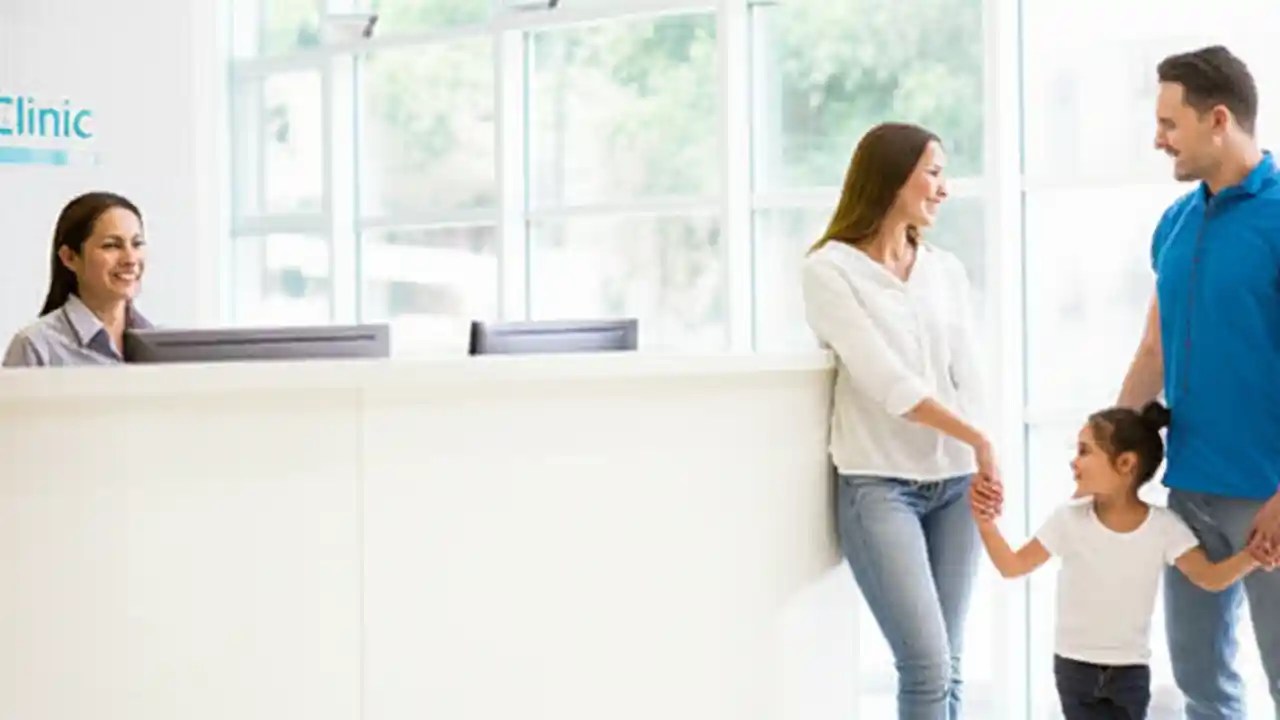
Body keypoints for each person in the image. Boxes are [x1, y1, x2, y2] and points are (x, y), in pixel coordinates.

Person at [801, 122, 997, 720]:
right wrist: (978, 438)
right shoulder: (829, 270)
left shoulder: (945, 270)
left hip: (957, 482)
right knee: (926, 664)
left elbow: (970, 373)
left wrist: (984, 457)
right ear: (891, 177)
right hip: (879, 485)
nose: (944, 188)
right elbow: (886, 382)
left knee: (951, 663)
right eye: (933, 172)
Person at [1113, 45, 1280, 718]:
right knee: (1201, 683)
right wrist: (1110, 445)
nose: (1157, 139)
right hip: (1190, 492)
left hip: (1267, 493)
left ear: (1217, 119)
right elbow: (1153, 347)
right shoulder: (1176, 223)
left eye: (1169, 123)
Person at [971, 402, 1259, 719]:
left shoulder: (1164, 527)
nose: (1073, 461)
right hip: (1073, 667)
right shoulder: (1068, 520)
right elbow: (1012, 565)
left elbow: (1210, 577)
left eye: (1084, 451)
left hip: (1130, 674)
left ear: (1125, 463)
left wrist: (1253, 556)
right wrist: (986, 524)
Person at [3, 192, 151, 367]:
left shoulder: (160, 344)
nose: (130, 259)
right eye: (111, 245)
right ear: (69, 258)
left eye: (137, 244)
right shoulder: (36, 345)